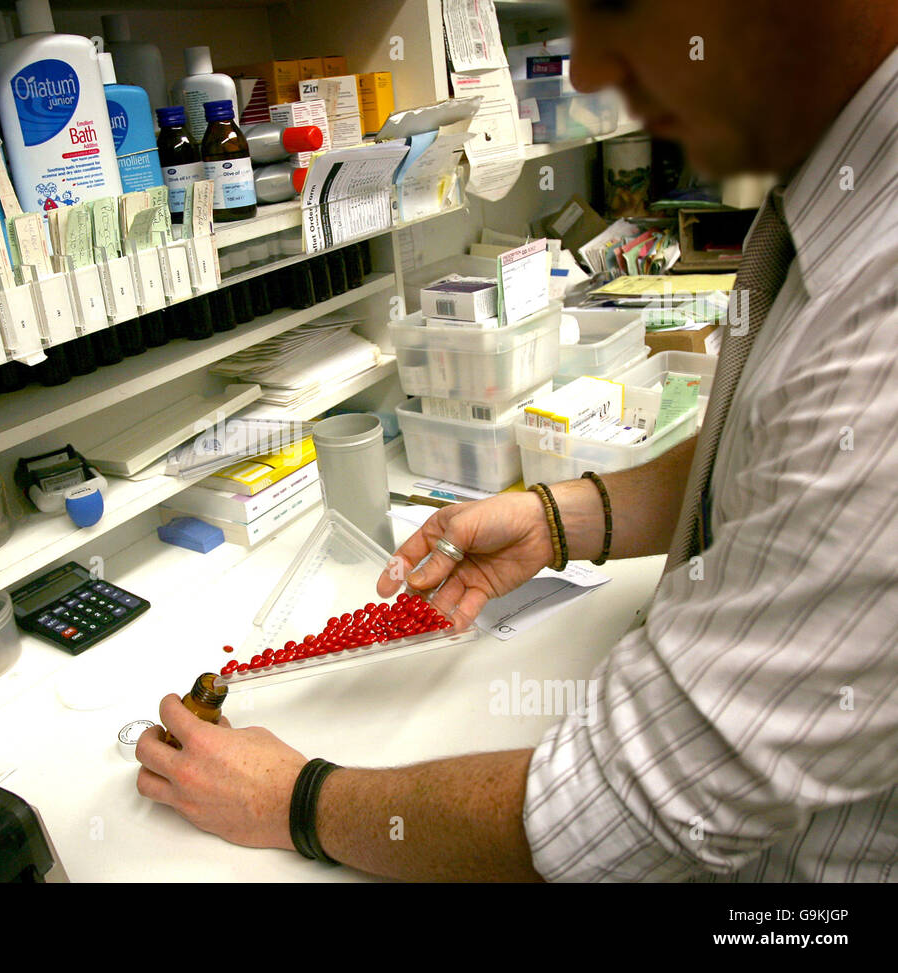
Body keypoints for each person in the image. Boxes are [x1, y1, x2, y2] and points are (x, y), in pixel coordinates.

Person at [136, 0, 898, 881]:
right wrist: (568, 515)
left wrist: (294, 800)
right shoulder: (834, 194)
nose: (597, 69)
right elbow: (781, 449)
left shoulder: (878, 328)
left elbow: (614, 815)